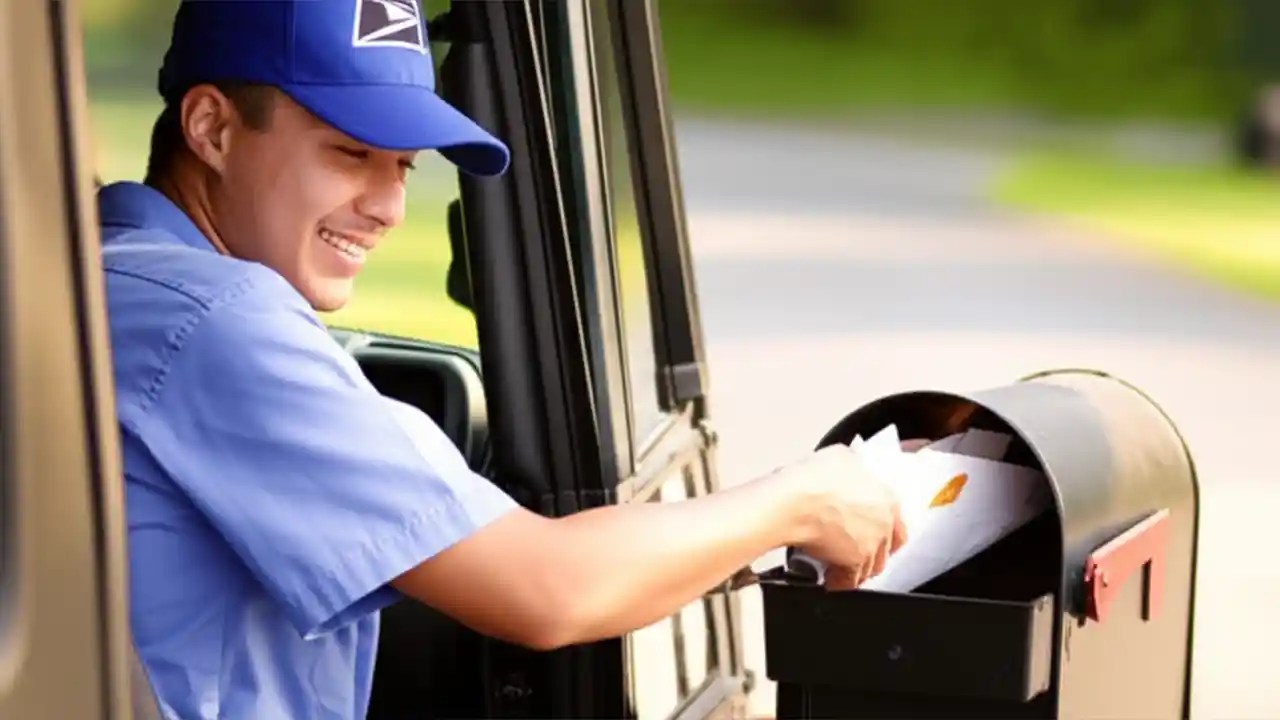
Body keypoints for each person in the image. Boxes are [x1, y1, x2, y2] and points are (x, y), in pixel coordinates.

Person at [98, 1, 907, 718]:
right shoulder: (213, 322)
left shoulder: (111, 274)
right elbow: (546, 589)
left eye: (404, 166)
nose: (386, 207)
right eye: (350, 153)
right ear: (211, 127)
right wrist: (801, 502)